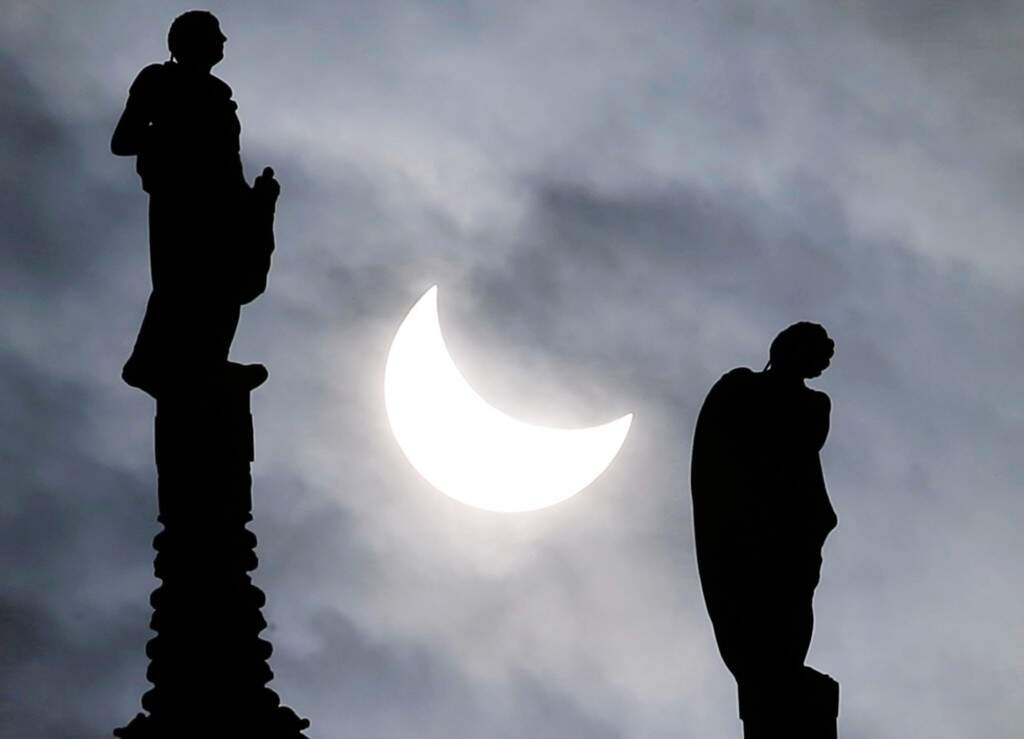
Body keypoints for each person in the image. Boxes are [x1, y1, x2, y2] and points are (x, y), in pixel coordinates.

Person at [112, 10, 279, 398]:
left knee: (229, 283)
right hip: (183, 198)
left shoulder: (220, 95)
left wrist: (254, 198)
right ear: (191, 41)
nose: (224, 41)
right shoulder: (158, 80)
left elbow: (227, 158)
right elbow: (123, 140)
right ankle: (149, 363)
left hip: (224, 199)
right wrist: (177, 145)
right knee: (182, 283)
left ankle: (210, 362)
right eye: (215, 35)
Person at [690, 322, 840, 738]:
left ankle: (786, 667)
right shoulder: (740, 387)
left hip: (795, 518)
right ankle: (767, 675)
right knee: (756, 597)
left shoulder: (815, 404)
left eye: (821, 360)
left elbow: (803, 441)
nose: (818, 365)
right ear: (788, 348)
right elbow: (716, 454)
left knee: (795, 595)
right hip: (749, 515)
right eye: (813, 353)